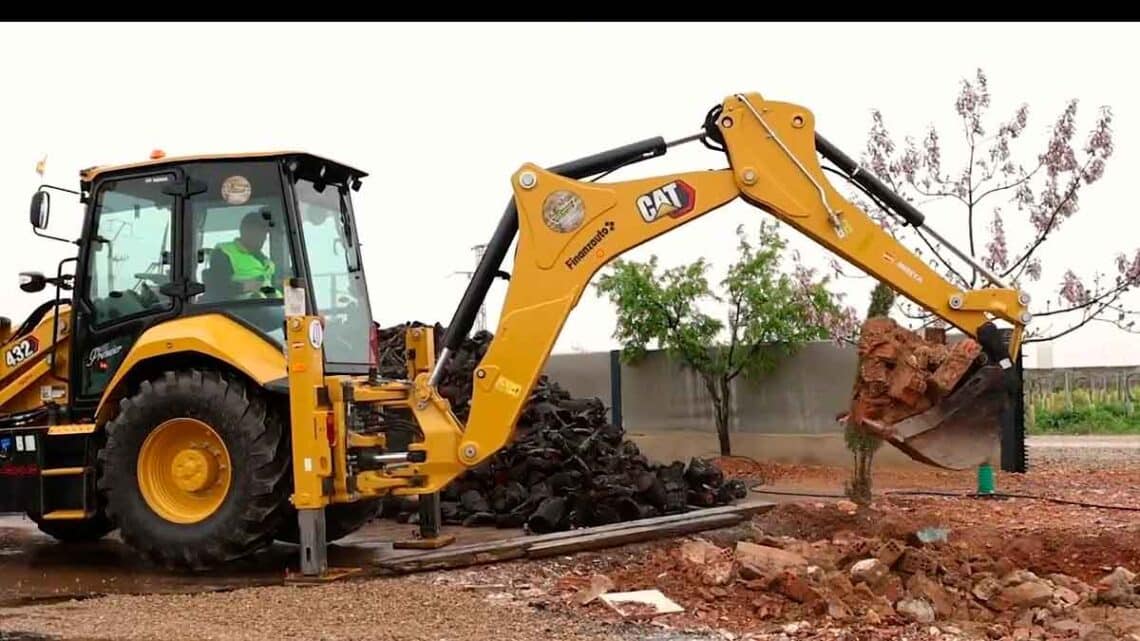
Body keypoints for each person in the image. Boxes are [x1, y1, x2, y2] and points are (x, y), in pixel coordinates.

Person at [212, 211, 280, 298]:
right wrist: (246, 287)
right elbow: (216, 288)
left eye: (264, 233)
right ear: (244, 231)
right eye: (257, 232)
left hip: (275, 306)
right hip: (241, 309)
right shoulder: (224, 253)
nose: (263, 237)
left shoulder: (268, 263)